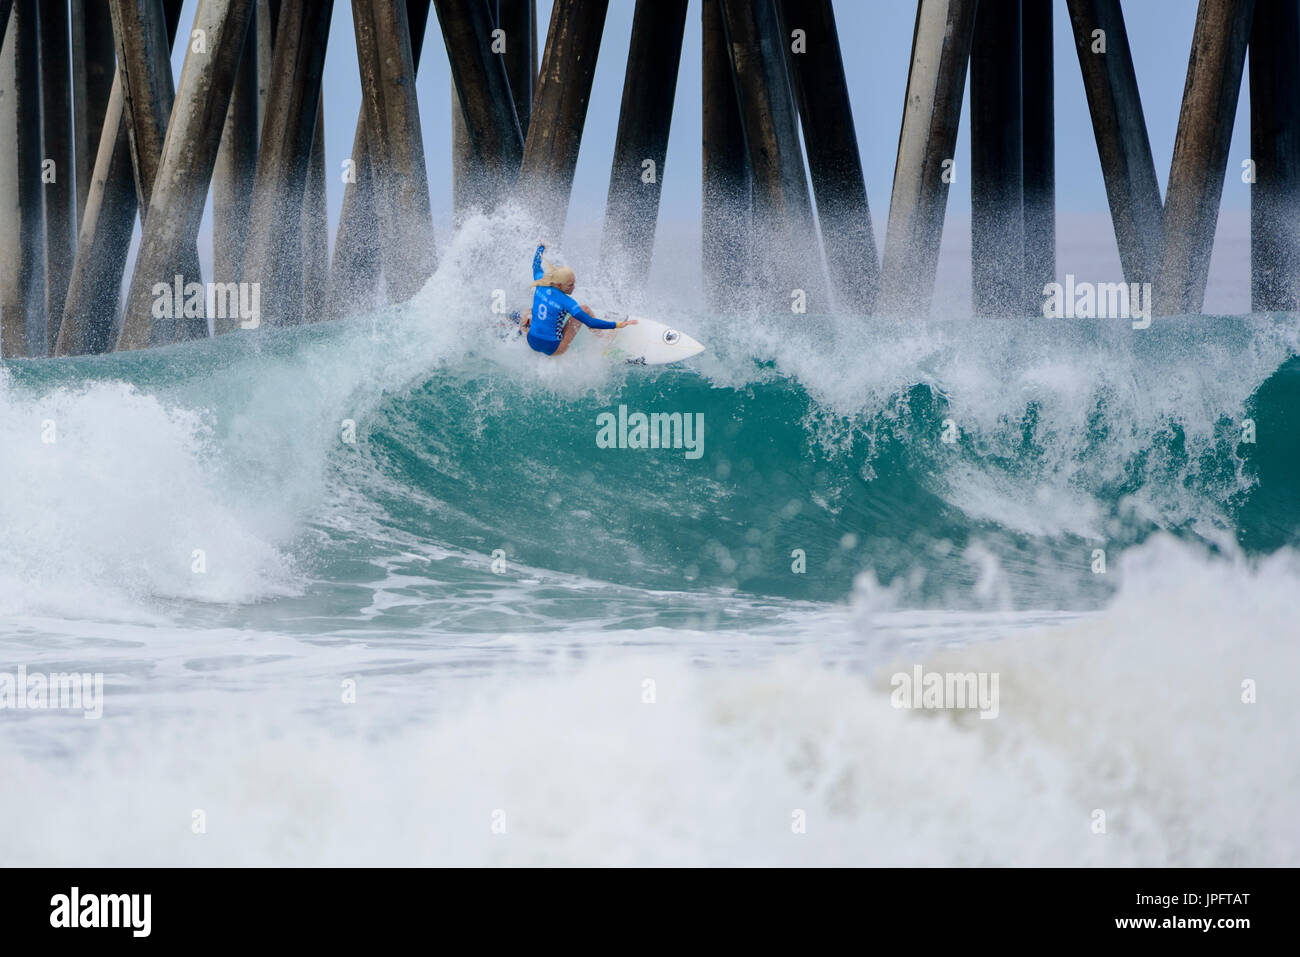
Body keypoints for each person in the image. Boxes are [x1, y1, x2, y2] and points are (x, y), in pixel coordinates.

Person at [521, 244, 635, 356]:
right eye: (570, 285)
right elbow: (591, 322)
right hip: (553, 348)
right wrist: (619, 324)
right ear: (559, 285)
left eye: (574, 283)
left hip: (532, 342)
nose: (574, 287)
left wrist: (541, 247)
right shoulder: (566, 301)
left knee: (528, 311)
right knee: (584, 309)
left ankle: (522, 330)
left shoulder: (540, 282)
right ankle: (604, 338)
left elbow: (536, 265)